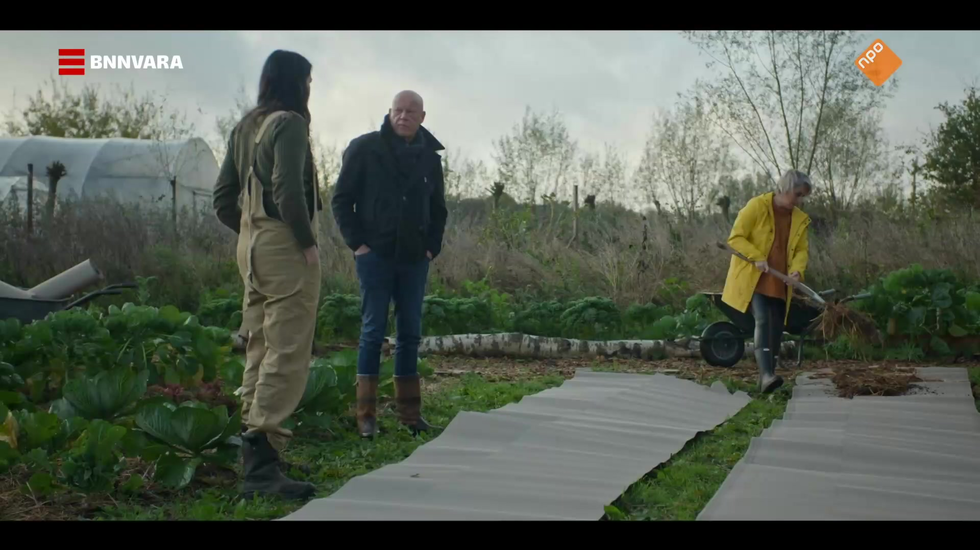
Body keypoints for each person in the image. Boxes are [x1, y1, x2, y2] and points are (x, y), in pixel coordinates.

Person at [212, 49, 322, 501]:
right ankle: (263, 460)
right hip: (281, 245)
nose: (311, 89)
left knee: (258, 343)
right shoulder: (289, 123)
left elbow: (222, 198)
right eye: (309, 81)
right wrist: (306, 243)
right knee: (288, 348)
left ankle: (254, 447)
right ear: (298, 82)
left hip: (248, 246)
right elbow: (288, 190)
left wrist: (247, 231)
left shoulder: (245, 126)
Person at [331, 90, 448, 439]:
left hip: (415, 259)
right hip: (375, 256)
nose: (404, 116)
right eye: (398, 110)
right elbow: (341, 200)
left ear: (422, 117)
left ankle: (410, 415)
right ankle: (366, 415)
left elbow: (439, 210)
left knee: (410, 333)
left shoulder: (430, 157)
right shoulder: (365, 148)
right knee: (372, 332)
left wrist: (431, 249)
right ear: (390, 112)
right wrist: (359, 245)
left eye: (411, 111)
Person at [721, 170, 812, 394]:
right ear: (786, 188)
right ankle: (767, 376)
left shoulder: (799, 219)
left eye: (803, 197)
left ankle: (768, 379)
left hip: (780, 280)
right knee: (763, 320)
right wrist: (757, 257)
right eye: (798, 194)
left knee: (777, 327)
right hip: (756, 278)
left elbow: (801, 250)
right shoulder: (757, 206)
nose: (800, 200)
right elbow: (736, 238)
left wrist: (797, 272)